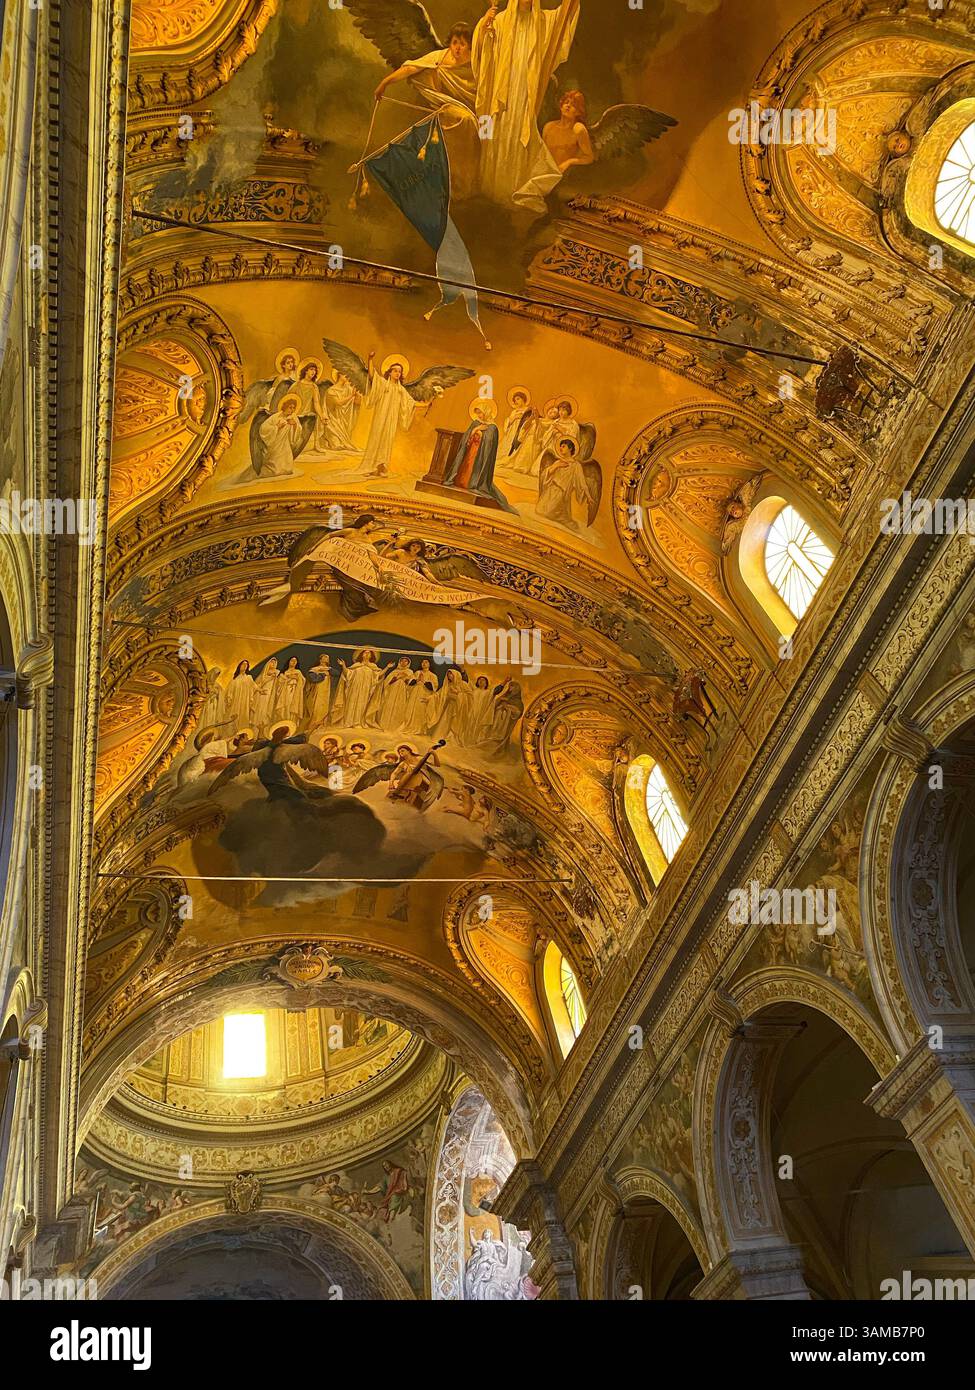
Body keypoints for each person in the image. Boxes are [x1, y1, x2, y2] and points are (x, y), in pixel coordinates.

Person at [472, 0, 580, 212]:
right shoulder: (502, 20)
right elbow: (484, 51)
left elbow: (563, 19)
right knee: (498, 132)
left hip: (524, 92)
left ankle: (513, 189)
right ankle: (493, 189)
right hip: (502, 90)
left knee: (518, 132)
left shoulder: (542, 22)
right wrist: (485, 27)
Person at [444, 400, 516, 511]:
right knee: (466, 467)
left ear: (486, 412)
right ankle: (459, 480)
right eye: (477, 413)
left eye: (481, 413)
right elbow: (467, 437)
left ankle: (475, 483)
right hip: (470, 451)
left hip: (481, 454)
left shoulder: (492, 427)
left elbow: (490, 445)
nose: (479, 415)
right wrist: (476, 430)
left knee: (474, 468)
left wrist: (482, 436)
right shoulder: (476, 423)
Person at [359, 353, 421, 479]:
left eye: (400, 371)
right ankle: (370, 467)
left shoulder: (401, 390)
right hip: (380, 418)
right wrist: (370, 359)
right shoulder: (382, 383)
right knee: (376, 438)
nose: (398, 373)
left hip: (391, 421)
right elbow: (372, 375)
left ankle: (381, 467)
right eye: (395, 371)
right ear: (390, 372)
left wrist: (426, 404)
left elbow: (411, 403)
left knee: (387, 441)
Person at [542, 89, 595, 172]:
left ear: (578, 112)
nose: (568, 106)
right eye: (566, 102)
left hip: (566, 176)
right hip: (546, 172)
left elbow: (589, 157)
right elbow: (542, 153)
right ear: (561, 106)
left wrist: (569, 162)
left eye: (573, 105)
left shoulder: (578, 129)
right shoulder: (548, 127)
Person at [257, 393, 303, 476]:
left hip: (285, 444)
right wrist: (277, 427)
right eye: (290, 407)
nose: (292, 410)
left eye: (293, 408)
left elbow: (299, 429)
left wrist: (295, 425)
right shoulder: (276, 417)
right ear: (285, 407)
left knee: (287, 467)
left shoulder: (293, 417)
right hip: (275, 443)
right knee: (274, 465)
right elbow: (263, 428)